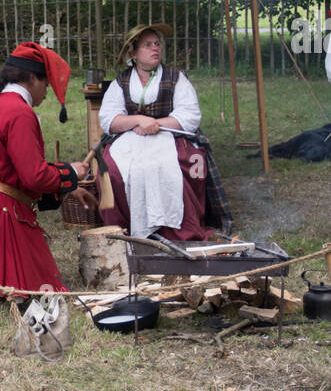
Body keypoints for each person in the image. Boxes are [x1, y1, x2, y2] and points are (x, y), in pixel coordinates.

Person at [0, 42, 88, 358]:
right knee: (47, 290)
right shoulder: (19, 112)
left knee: (17, 281)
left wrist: (65, 187)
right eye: (46, 83)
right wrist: (71, 173)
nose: (47, 92)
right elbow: (34, 177)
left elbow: (14, 176)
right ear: (33, 79)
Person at [98, 24, 233, 240]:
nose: (155, 49)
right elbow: (109, 119)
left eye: (157, 44)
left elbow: (189, 114)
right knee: (113, 170)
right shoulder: (120, 82)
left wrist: (156, 124)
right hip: (130, 141)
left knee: (179, 164)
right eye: (148, 45)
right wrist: (138, 120)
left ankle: (175, 229)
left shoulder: (175, 76)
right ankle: (124, 229)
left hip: (170, 135)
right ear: (133, 54)